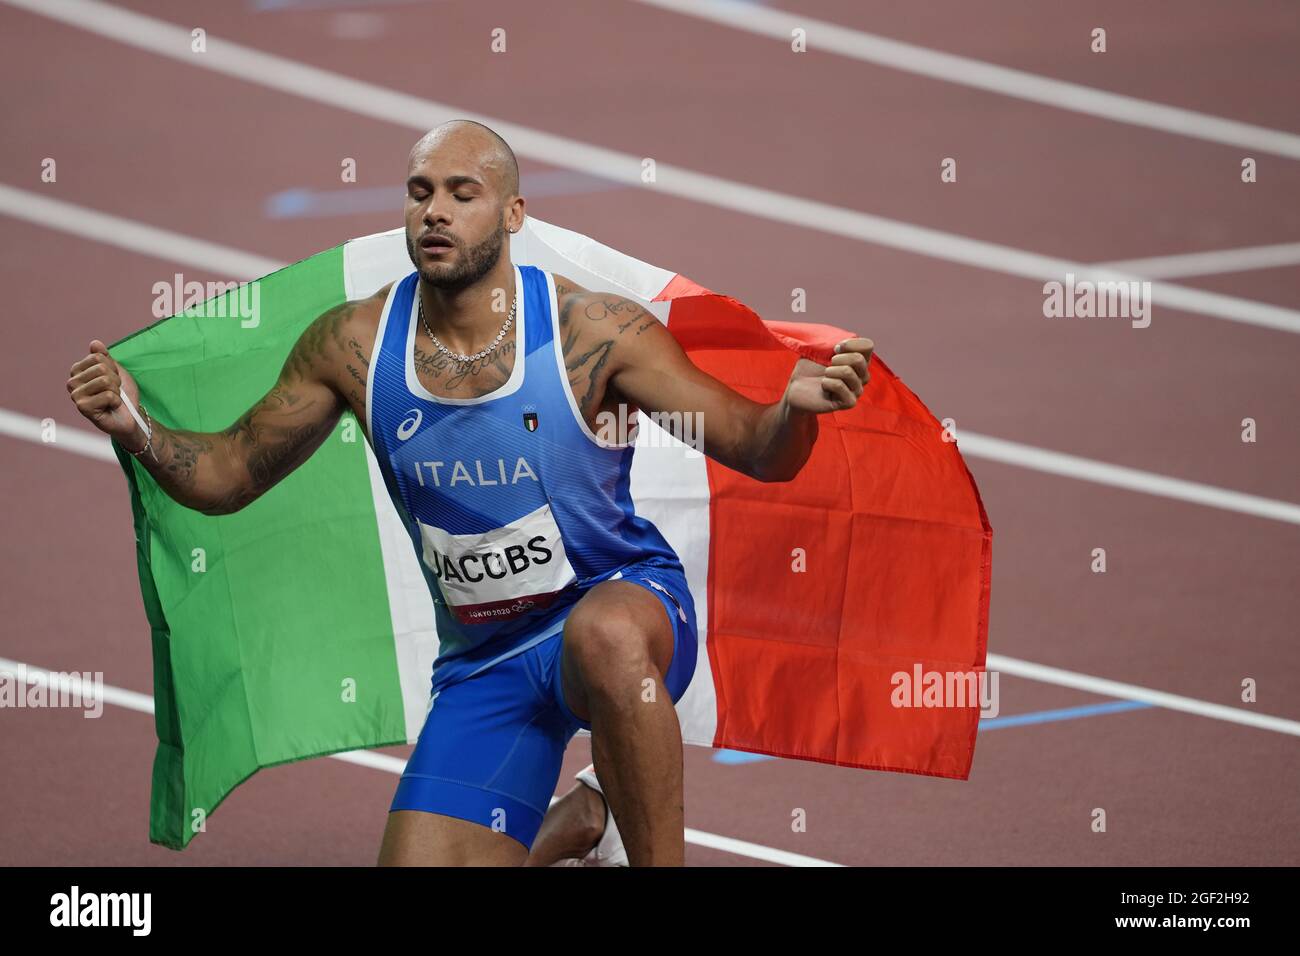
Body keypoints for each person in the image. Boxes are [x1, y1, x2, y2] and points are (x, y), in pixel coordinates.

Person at [66, 119, 873, 866]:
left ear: (513, 213)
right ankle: (582, 824)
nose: (436, 213)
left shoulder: (593, 334)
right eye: (421, 193)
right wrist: (134, 425)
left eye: (463, 193)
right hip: (487, 661)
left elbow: (754, 449)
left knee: (602, 637)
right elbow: (230, 475)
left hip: (623, 607)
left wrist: (792, 417)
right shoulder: (351, 344)